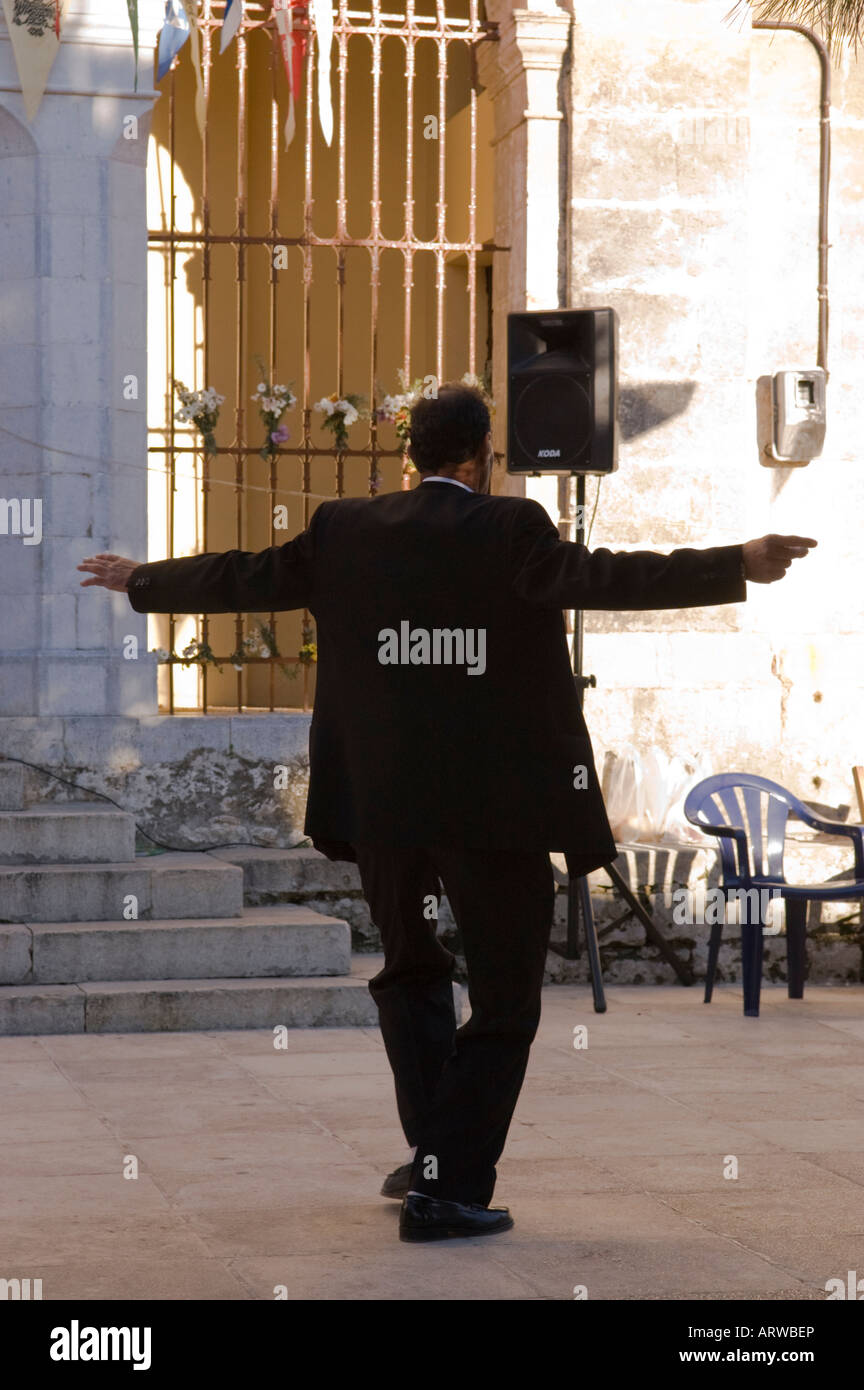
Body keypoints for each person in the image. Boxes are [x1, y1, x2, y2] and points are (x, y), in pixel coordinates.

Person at [79, 383, 817, 1242]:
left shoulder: (343, 529)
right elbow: (610, 575)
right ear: (482, 457)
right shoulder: (513, 529)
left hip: (383, 806)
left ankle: (434, 1152)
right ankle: (448, 1186)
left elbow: (251, 575)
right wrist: (737, 562)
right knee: (505, 999)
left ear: (414, 455)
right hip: (492, 811)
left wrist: (144, 580)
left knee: (409, 971)